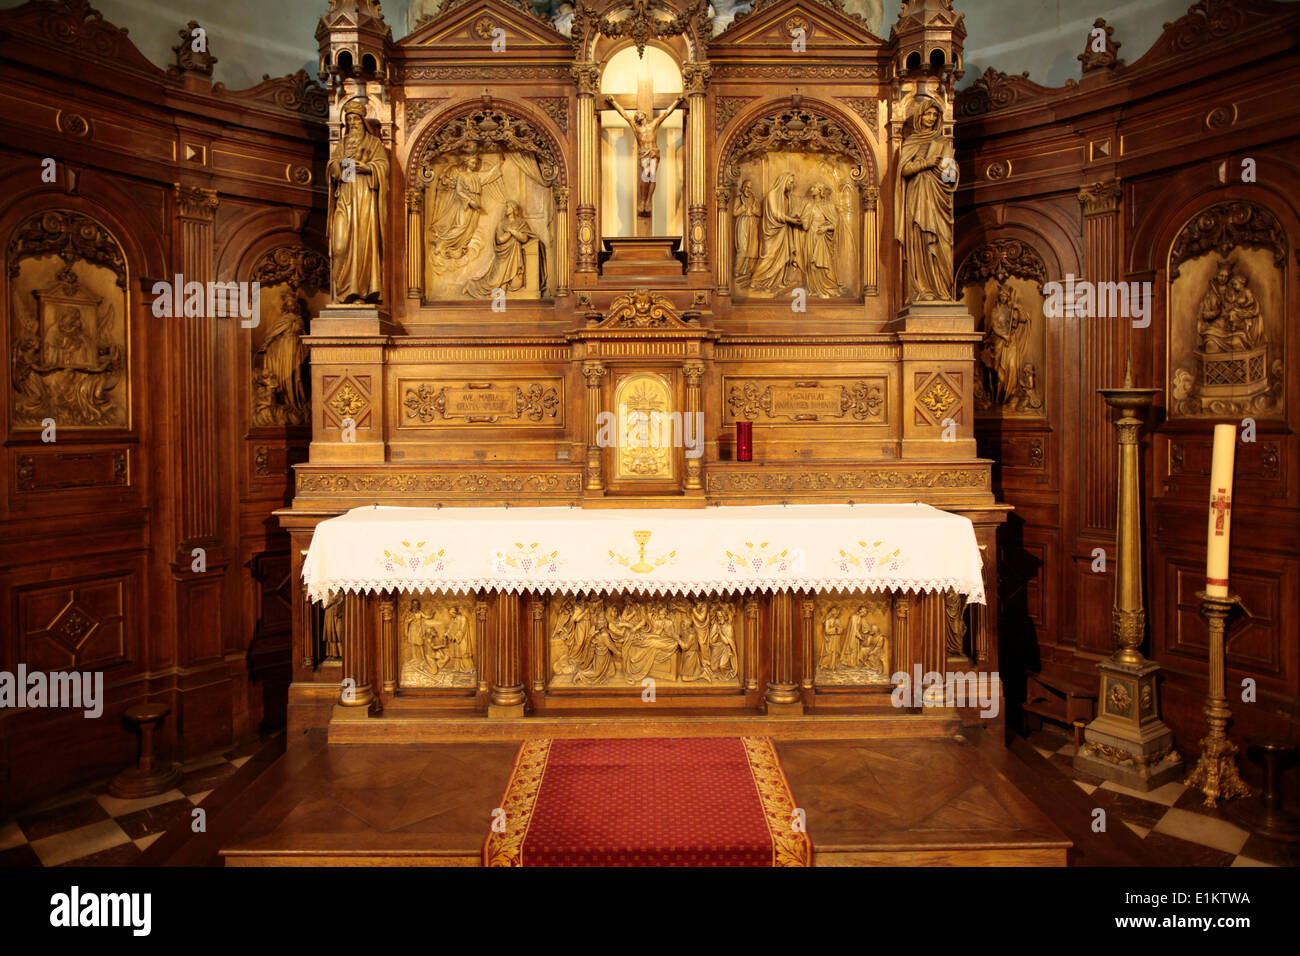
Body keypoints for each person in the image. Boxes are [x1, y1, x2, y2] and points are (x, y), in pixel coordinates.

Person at [327, 99, 389, 302]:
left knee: (362, 242)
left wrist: (367, 168)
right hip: (345, 195)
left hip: (364, 197)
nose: (353, 123)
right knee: (340, 245)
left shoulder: (374, 143)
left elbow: (383, 166)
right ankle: (341, 293)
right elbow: (333, 167)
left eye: (356, 119)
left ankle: (359, 292)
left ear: (363, 121)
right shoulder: (343, 144)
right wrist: (341, 165)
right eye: (349, 119)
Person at [896, 96, 956, 301]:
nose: (931, 118)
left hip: (938, 195)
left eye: (935, 115)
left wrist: (948, 169)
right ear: (920, 116)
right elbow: (904, 170)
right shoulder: (912, 142)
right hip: (918, 194)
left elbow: (950, 177)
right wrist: (926, 163)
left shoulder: (942, 142)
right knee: (920, 239)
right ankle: (923, 288)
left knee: (942, 241)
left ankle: (942, 291)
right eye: (928, 114)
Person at [605, 95, 683, 216]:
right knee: (645, 175)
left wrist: (677, 102)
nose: (638, 117)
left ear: (645, 117)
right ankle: (642, 200)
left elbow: (666, 113)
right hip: (644, 153)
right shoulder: (636, 127)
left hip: (653, 152)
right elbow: (624, 114)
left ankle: (648, 200)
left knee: (652, 176)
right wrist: (613, 102)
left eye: (640, 115)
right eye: (637, 116)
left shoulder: (654, 124)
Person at [749, 173, 803, 292]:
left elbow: (785, 214)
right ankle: (757, 280)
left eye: (793, 182)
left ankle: (777, 282)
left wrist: (794, 217)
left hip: (783, 230)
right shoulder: (772, 195)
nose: (792, 185)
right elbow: (775, 214)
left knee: (783, 256)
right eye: (791, 182)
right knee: (769, 256)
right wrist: (791, 220)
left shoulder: (785, 197)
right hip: (771, 231)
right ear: (783, 181)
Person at [798, 183, 842, 297]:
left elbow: (836, 224)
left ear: (820, 190)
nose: (811, 188)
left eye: (814, 187)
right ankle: (816, 289)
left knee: (824, 265)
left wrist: (826, 227)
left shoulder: (828, 205)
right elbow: (806, 226)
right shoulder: (809, 205)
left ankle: (829, 287)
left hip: (822, 239)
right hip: (811, 238)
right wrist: (801, 219)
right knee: (812, 265)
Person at [732, 179, 760, 284]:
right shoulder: (738, 198)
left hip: (752, 223)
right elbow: (735, 212)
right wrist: (743, 207)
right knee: (743, 248)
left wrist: (754, 210)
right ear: (743, 188)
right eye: (747, 187)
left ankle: (749, 271)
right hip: (743, 222)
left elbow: (759, 212)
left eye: (750, 187)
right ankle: (737, 270)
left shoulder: (754, 199)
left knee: (752, 248)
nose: (748, 189)